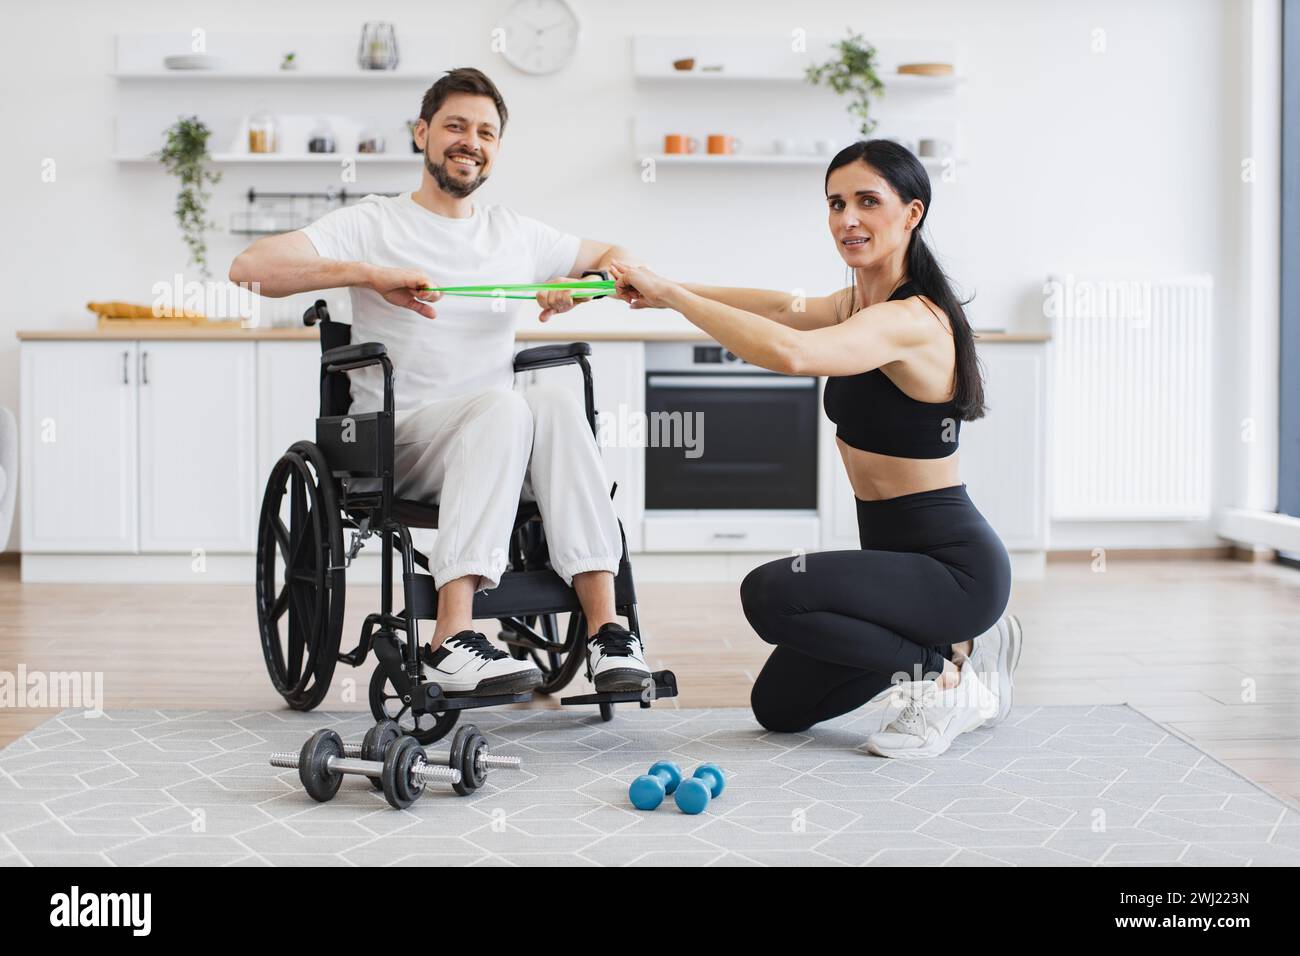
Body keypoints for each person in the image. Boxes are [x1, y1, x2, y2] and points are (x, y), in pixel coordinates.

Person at [230, 68, 652, 698]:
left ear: (497, 148)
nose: (470, 141)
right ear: (423, 132)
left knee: (555, 403)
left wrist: (582, 287)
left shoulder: (515, 232)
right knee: (505, 410)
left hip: (497, 444)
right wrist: (368, 275)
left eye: (486, 131)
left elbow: (621, 258)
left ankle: (606, 632)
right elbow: (249, 268)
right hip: (399, 444)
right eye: (455, 126)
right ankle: (450, 639)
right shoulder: (374, 222)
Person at [608, 139, 1022, 758]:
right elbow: (781, 308)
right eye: (835, 203)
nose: (847, 219)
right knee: (779, 709)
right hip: (897, 572)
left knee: (770, 592)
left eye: (866, 202)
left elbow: (793, 352)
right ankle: (961, 648)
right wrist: (660, 286)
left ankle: (945, 679)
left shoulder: (913, 320)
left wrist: (672, 299)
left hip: (953, 571)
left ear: (912, 213)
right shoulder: (858, 304)